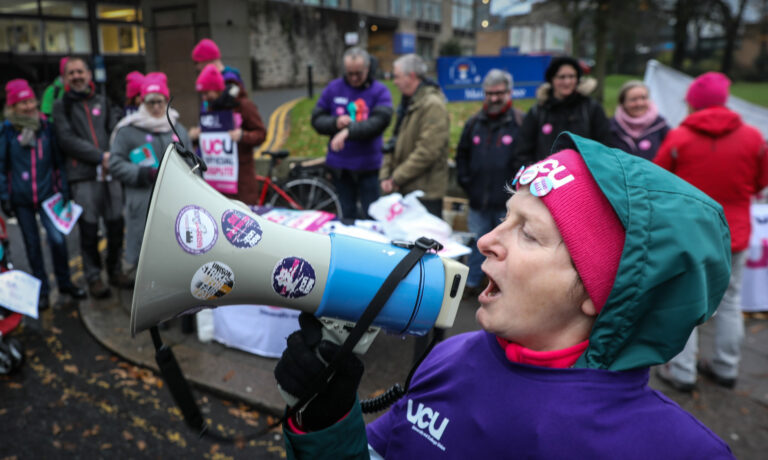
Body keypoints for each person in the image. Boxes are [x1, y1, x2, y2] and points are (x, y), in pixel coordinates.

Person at [274, 132, 736, 458]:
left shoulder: (674, 450)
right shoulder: (452, 356)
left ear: (601, 291)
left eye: (529, 235)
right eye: (504, 217)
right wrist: (329, 421)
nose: (485, 242)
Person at [654, 72, 768, 392]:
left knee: (686, 302)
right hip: (736, 234)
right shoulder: (753, 137)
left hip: (691, 234)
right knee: (731, 300)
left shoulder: (679, 138)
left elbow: (660, 183)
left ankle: (682, 372)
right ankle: (726, 368)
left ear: (695, 103)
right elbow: (761, 182)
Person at [0, 79, 86, 310]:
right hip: (21, 199)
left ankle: (65, 283)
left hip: (50, 195)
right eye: (22, 103)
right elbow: (2, 166)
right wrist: (4, 196)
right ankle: (43, 291)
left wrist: (64, 189)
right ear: (12, 108)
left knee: (58, 241)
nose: (28, 106)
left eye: (30, 100)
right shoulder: (7, 131)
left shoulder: (46, 127)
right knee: (32, 246)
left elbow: (58, 162)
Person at [53, 57, 131, 299]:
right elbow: (66, 140)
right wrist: (101, 157)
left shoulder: (103, 101)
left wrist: (112, 158)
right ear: (65, 78)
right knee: (88, 229)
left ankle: (115, 270)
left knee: (116, 224)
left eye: (80, 71)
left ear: (88, 74)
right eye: (71, 73)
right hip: (83, 176)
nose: (76, 76)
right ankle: (94, 277)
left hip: (111, 173)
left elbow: (115, 131)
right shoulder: (61, 106)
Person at [109, 73, 190, 282]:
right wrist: (142, 174)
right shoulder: (127, 130)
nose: (156, 107)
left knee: (172, 254)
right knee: (143, 256)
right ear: (142, 102)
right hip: (141, 204)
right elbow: (115, 164)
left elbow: (194, 164)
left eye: (160, 102)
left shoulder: (177, 127)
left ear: (166, 100)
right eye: (150, 102)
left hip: (174, 204)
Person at [456, 69, 524, 297]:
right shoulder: (474, 122)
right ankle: (472, 283)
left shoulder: (520, 122)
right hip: (477, 199)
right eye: (489, 93)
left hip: (508, 202)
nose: (494, 98)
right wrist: (467, 183)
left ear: (509, 92)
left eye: (499, 93)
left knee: (505, 249)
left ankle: (501, 289)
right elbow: (462, 155)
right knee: (478, 243)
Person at [310, 47, 393, 219]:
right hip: (340, 167)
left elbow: (379, 122)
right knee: (346, 216)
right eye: (350, 73)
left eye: (359, 73)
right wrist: (335, 122)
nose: (354, 78)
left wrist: (349, 131)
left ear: (368, 68)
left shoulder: (380, 91)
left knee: (372, 217)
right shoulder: (334, 88)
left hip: (368, 167)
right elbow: (317, 119)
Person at [380, 54, 449, 218]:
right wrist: (385, 175)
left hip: (425, 194)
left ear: (411, 76)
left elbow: (427, 151)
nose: (394, 82)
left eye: (397, 76)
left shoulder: (432, 105)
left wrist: (396, 178)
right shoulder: (409, 102)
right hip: (406, 189)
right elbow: (394, 141)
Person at [189, 64, 266, 205]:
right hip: (216, 184)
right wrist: (194, 137)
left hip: (241, 184)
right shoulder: (209, 108)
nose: (204, 98)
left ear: (218, 89)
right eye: (202, 94)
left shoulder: (244, 106)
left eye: (207, 93)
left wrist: (242, 136)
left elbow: (261, 134)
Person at [514, 56, 610, 163]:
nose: (567, 82)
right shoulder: (538, 111)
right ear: (552, 79)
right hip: (545, 177)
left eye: (571, 76)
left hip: (584, 176)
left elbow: (604, 147)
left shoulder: (591, 108)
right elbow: (523, 151)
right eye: (561, 77)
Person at [609, 80, 670, 160]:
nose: (639, 103)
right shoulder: (611, 127)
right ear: (623, 103)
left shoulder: (661, 126)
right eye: (633, 99)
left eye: (643, 98)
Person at [40, 57, 69, 121]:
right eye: (70, 72)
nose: (75, 75)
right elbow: (45, 115)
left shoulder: (81, 89)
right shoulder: (51, 90)